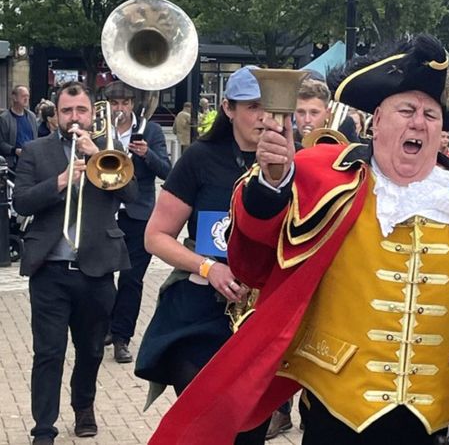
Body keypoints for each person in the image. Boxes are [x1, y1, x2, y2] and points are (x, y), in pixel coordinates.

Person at [148, 34, 449, 445]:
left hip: (436, 408)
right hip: (337, 399)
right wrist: (272, 179)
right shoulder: (326, 173)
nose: (419, 123)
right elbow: (254, 251)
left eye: (431, 115)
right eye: (407, 110)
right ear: (376, 120)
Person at [134, 66, 270, 444]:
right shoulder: (199, 158)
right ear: (228, 108)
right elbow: (156, 236)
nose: (264, 117)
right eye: (253, 106)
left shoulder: (289, 163)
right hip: (200, 312)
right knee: (207, 424)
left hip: (260, 318)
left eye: (270, 107)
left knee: (249, 430)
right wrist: (207, 267)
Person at [13, 81, 139, 445]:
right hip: (50, 270)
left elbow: (132, 194)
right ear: (56, 114)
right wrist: (60, 181)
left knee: (92, 349)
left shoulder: (110, 148)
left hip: (97, 268)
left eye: (80, 110)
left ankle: (83, 406)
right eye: (66, 111)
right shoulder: (37, 151)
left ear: (91, 113)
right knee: (48, 352)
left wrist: (97, 152)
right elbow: (21, 202)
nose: (74, 117)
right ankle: (44, 428)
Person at [103, 81, 172, 364]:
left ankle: (121, 338)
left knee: (132, 280)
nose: (120, 109)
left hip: (139, 213)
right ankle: (105, 327)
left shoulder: (150, 130)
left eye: (125, 103)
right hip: (105, 213)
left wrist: (147, 154)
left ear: (133, 104)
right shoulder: (100, 131)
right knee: (102, 278)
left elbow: (167, 171)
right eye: (115, 104)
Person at [0, 85, 37, 169]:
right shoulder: (4, 119)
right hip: (14, 163)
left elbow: (36, 138)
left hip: (32, 161)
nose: (26, 99)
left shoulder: (32, 117)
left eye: (28, 96)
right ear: (14, 98)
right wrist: (15, 150)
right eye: (23, 96)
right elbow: (1, 143)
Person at [295, 78, 332, 145]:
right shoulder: (283, 143)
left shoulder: (338, 144)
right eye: (301, 112)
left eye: (314, 112)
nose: (307, 120)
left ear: (328, 113)